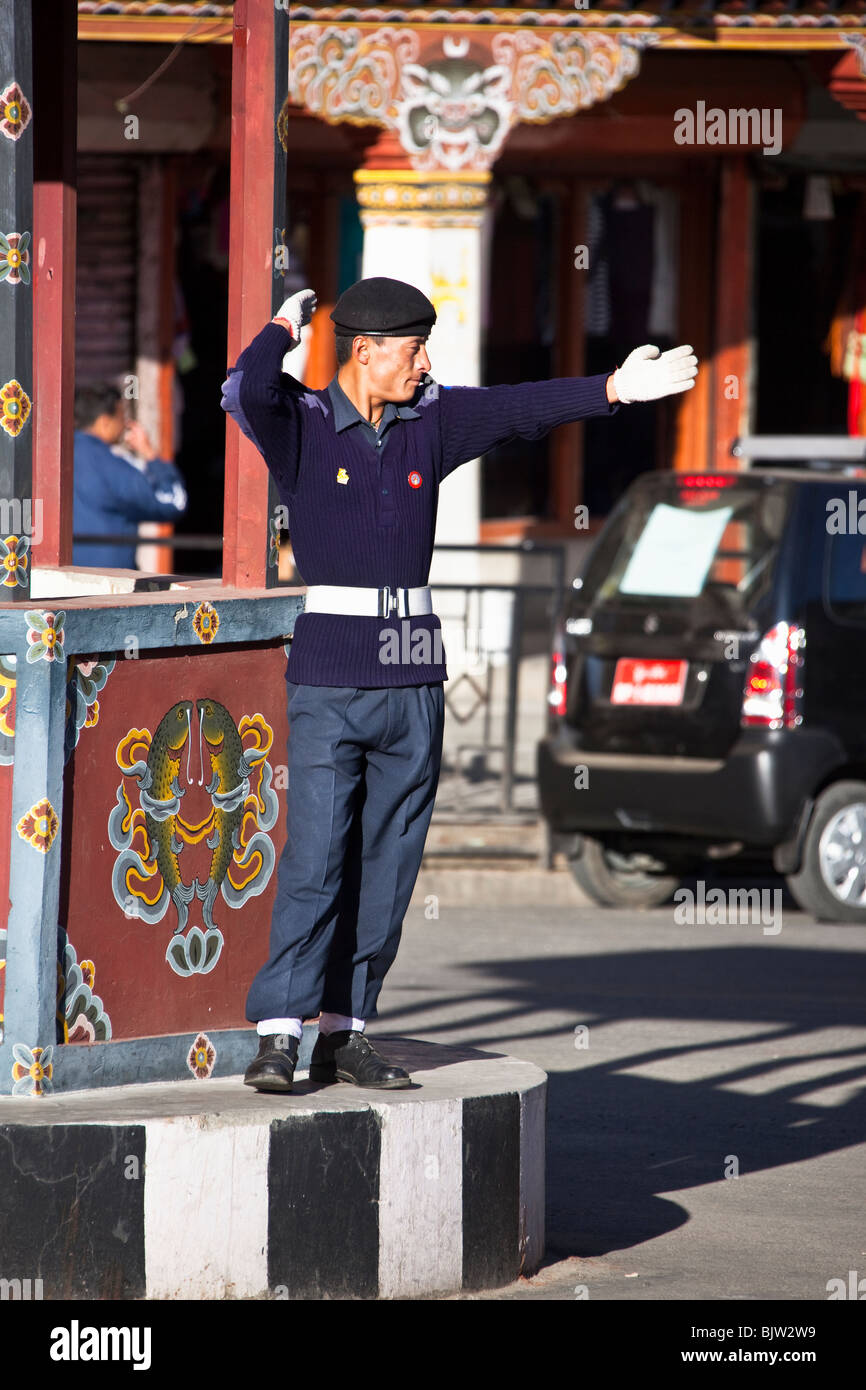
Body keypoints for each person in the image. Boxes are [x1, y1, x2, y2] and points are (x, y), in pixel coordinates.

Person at [221, 276, 698, 1093]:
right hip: (333, 677)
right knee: (317, 855)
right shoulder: (298, 425)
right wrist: (280, 326)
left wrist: (614, 388)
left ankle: (346, 1029)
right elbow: (243, 389)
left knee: (391, 859)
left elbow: (518, 409)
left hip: (413, 676)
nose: (425, 362)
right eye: (411, 349)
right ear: (364, 352)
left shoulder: (429, 423)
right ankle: (278, 1029)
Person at [73, 383, 188, 570]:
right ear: (105, 422)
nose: (125, 424)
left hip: (58, 581)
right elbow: (173, 503)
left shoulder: (54, 457)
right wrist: (150, 454)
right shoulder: (111, 466)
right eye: (121, 417)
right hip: (106, 585)